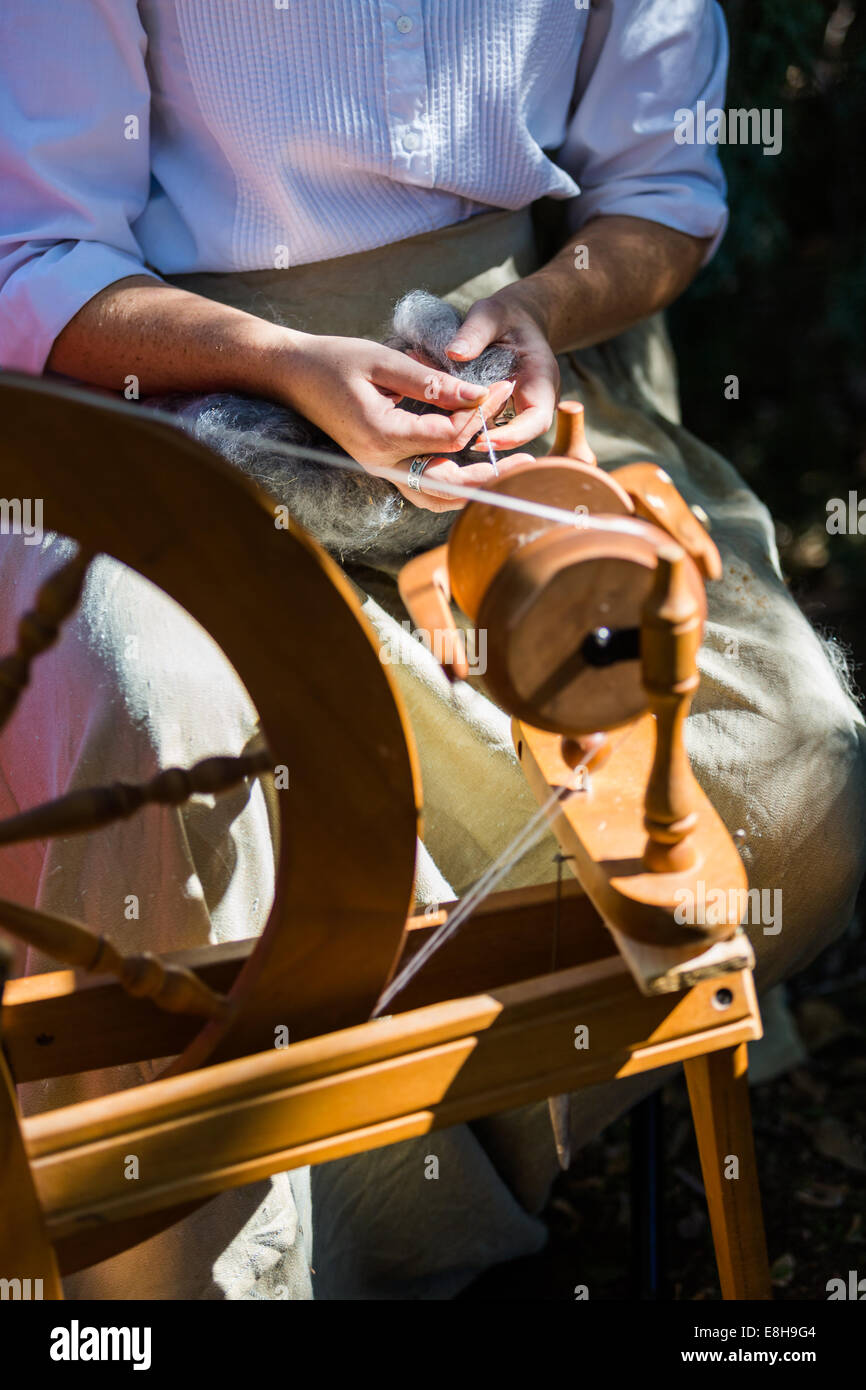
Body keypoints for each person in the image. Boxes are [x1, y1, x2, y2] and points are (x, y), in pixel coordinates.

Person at [1, 0, 864, 1300]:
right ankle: (249, 1258)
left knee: (794, 777)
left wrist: (533, 311)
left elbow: (660, 188)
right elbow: (33, 251)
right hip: (165, 406)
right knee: (157, 700)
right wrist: (281, 359)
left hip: (502, 408)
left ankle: (411, 1156)